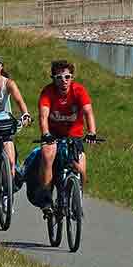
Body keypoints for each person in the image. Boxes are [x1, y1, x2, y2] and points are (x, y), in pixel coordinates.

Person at [37, 58, 96, 205]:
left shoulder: (79, 90)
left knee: (81, 169)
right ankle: (47, 196)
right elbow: (43, 115)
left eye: (67, 77)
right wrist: (45, 134)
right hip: (53, 136)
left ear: (72, 77)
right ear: (53, 79)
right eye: (59, 77)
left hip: (74, 136)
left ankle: (77, 198)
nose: (64, 80)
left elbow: (88, 112)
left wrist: (91, 132)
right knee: (47, 155)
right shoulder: (48, 91)